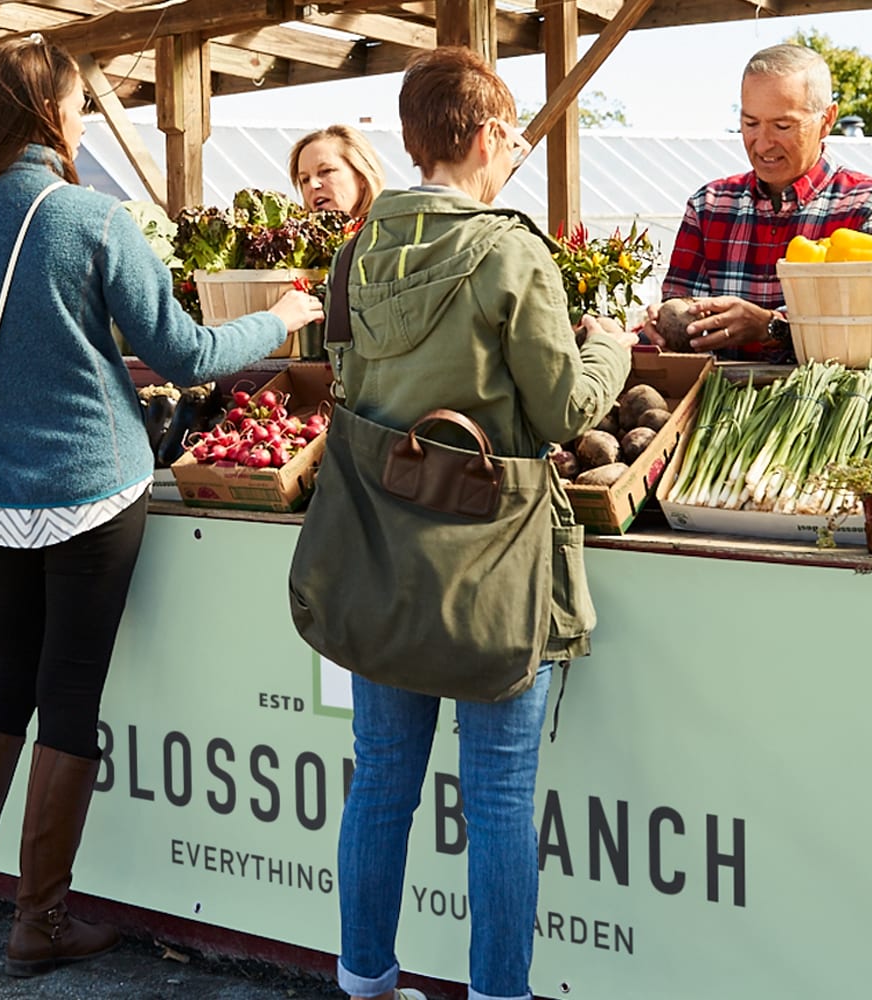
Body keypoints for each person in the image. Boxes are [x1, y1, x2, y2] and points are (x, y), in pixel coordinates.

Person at [0, 36, 320, 978]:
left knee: (9, 675)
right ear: (50, 113)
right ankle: (36, 921)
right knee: (69, 689)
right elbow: (188, 356)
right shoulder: (89, 216)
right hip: (96, 485)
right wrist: (281, 320)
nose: (85, 117)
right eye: (80, 104)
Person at [328, 47, 633, 1000]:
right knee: (499, 794)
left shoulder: (361, 245)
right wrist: (612, 347)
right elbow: (562, 414)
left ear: (415, 141)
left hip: (381, 551)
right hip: (491, 560)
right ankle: (501, 993)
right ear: (494, 134)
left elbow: (349, 380)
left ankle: (363, 979)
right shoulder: (510, 250)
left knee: (381, 778)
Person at [647, 43, 872, 360]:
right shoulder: (708, 206)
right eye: (750, 123)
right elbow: (677, 309)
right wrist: (658, 327)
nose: (763, 142)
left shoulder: (871, 207)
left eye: (782, 126)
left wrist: (771, 327)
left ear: (827, 120)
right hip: (714, 405)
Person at [289, 124, 386, 220]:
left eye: (326, 171)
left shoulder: (394, 231)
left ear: (362, 176)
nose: (313, 185)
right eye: (305, 180)